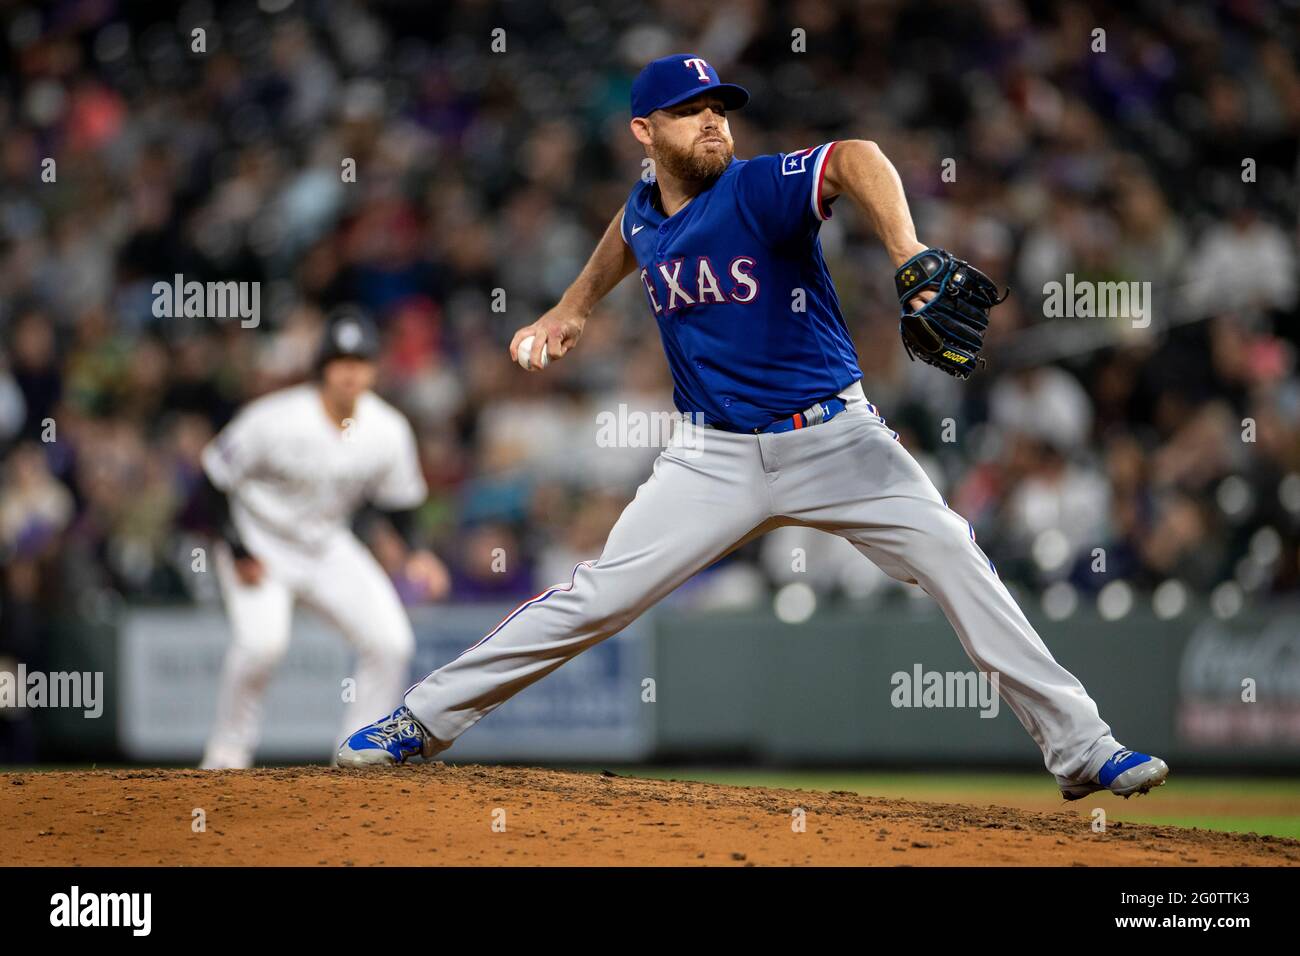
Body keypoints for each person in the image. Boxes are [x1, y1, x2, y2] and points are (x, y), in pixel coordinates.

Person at [339, 55, 1168, 801]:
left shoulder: (758, 187)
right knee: (596, 597)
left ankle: (1082, 745)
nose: (712, 121)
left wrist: (907, 245)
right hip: (713, 459)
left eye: (720, 108)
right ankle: (420, 720)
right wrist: (573, 306)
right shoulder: (642, 212)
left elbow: (855, 158)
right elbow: (629, 235)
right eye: (691, 109)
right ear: (644, 131)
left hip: (836, 440)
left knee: (954, 554)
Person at [199, 312, 448, 769]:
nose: (350, 371)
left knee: (391, 643)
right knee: (261, 646)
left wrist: (417, 553)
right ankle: (224, 759)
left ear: (374, 368)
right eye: (339, 361)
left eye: (359, 360)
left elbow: (401, 504)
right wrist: (237, 548)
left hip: (326, 544)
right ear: (322, 369)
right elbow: (214, 476)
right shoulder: (275, 418)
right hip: (260, 539)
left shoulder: (388, 429)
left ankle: (356, 757)